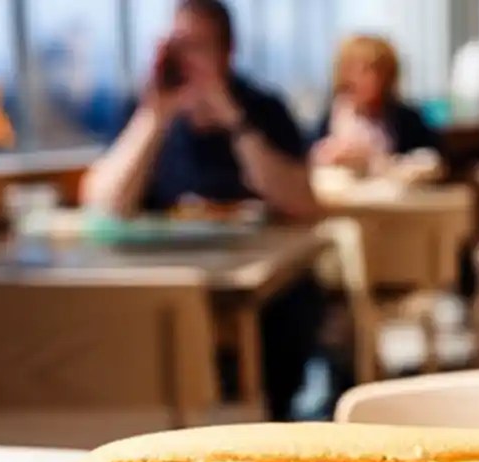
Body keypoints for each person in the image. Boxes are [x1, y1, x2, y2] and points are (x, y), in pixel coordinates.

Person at [81, 0, 321, 420]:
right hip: (163, 293)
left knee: (288, 315)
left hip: (260, 301)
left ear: (227, 52)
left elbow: (301, 202)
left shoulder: (262, 108)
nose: (185, 59)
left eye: (198, 47)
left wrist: (231, 116)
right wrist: (154, 116)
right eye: (177, 46)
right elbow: (103, 203)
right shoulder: (148, 109)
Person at [311, 35, 441, 176]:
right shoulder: (330, 117)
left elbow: (433, 160)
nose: (361, 79)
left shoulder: (407, 120)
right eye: (353, 70)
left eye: (370, 70)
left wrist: (380, 162)